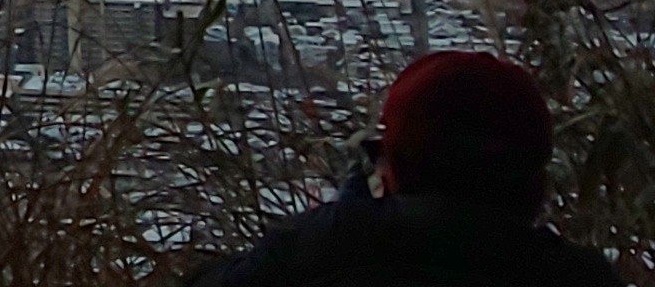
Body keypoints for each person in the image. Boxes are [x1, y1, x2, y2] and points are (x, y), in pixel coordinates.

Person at [189, 51, 618, 286]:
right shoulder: (576, 278)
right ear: (534, 180)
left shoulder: (324, 248)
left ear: (398, 163)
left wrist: (351, 228)